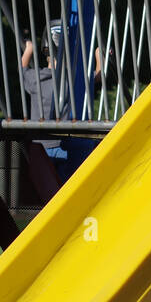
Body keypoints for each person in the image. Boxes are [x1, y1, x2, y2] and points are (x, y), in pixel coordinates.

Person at [21, 20, 102, 181]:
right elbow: (98, 76)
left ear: (45, 51)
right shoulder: (74, 80)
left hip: (40, 148)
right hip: (66, 146)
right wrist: (99, 56)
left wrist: (29, 49)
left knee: (45, 189)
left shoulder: (34, 78)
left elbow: (22, 69)